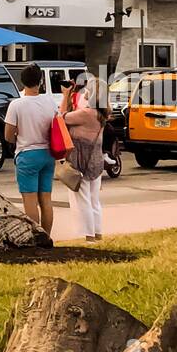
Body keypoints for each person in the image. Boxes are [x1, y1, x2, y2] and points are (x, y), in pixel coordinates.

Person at [4, 62, 58, 238]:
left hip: (27, 154)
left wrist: (18, 135)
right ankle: (47, 236)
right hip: (48, 153)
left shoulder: (16, 105)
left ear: (22, 81)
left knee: (30, 201)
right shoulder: (49, 101)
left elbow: (8, 136)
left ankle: (35, 238)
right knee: (46, 199)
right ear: (40, 81)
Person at [61, 72, 106, 242]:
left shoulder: (87, 113)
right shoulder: (102, 113)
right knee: (94, 200)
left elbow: (62, 117)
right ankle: (97, 232)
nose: (85, 91)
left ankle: (89, 236)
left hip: (81, 160)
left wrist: (66, 95)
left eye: (88, 89)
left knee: (83, 200)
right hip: (96, 161)